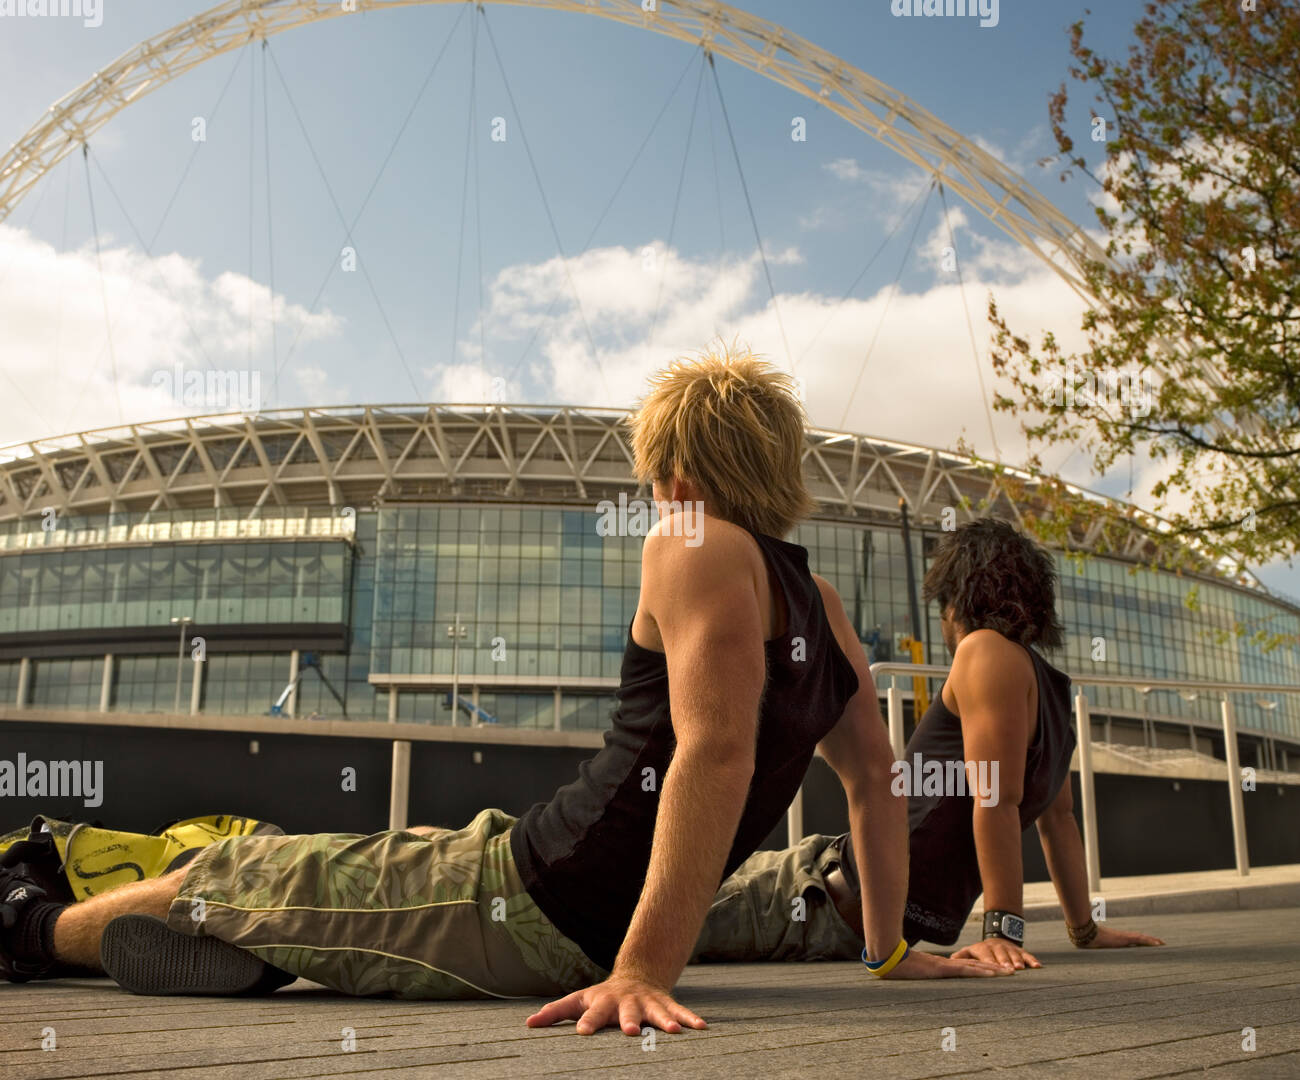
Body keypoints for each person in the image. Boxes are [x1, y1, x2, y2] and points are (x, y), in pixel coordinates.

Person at [0, 349, 1003, 1035]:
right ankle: (93, 898)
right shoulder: (823, 606)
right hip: (522, 871)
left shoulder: (694, 540)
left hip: (527, 903)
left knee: (242, 874)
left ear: (685, 469)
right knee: (303, 869)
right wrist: (887, 950)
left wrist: (643, 968)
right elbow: (873, 784)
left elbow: (714, 751)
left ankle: (27, 924)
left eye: (655, 472)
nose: (652, 493)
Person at [693, 518, 1165, 970]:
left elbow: (1001, 799)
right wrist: (1082, 929)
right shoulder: (1051, 692)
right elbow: (1055, 819)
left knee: (629, 922)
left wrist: (1003, 931)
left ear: (956, 601)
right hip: (816, 886)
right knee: (631, 909)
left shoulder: (984, 650)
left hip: (808, 904)